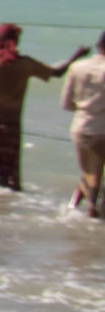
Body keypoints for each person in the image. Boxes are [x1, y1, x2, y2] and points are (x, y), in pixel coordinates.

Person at [0, 24, 88, 192]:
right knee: (10, 164)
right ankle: (7, 194)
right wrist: (76, 56)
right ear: (16, 41)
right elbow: (57, 73)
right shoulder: (26, 64)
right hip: (12, 122)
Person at [63, 34, 105, 219]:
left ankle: (73, 207)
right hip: (102, 127)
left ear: (98, 45)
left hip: (80, 126)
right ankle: (92, 211)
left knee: (87, 170)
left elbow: (66, 104)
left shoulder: (77, 67)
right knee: (94, 172)